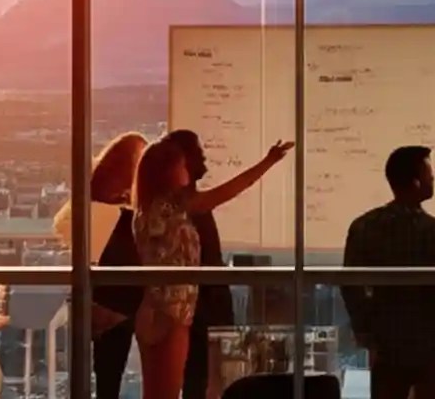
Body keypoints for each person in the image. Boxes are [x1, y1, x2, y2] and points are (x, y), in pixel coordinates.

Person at [132, 136, 293, 399]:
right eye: (182, 165)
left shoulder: (147, 210)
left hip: (154, 306)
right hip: (173, 310)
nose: (188, 170)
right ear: (168, 171)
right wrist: (268, 162)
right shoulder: (175, 208)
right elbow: (229, 190)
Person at [342, 146, 435, 399]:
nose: (433, 179)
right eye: (429, 173)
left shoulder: (365, 226)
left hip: (387, 342)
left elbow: (350, 286)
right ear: (416, 181)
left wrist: (368, 332)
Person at [53, 132, 149, 399]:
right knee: (111, 376)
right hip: (118, 302)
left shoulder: (90, 203)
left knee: (105, 376)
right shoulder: (120, 213)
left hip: (102, 300)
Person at [162, 129, 240, 399]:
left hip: (207, 299)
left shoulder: (175, 204)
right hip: (204, 302)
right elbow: (229, 191)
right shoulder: (185, 203)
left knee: (207, 377)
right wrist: (269, 161)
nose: (204, 157)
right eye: (198, 152)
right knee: (204, 378)